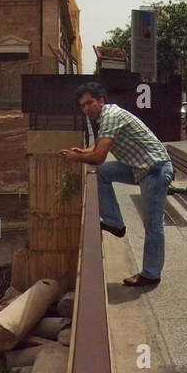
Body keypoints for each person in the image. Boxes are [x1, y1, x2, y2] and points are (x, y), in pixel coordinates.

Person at [61, 87, 169, 288]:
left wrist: (76, 157)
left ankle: (151, 274)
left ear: (100, 100)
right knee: (102, 173)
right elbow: (97, 147)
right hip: (138, 167)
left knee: (153, 225)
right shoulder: (105, 117)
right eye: (82, 106)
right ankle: (114, 223)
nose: (86, 109)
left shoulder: (110, 115)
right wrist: (82, 151)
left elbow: (99, 156)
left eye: (89, 103)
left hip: (155, 169)